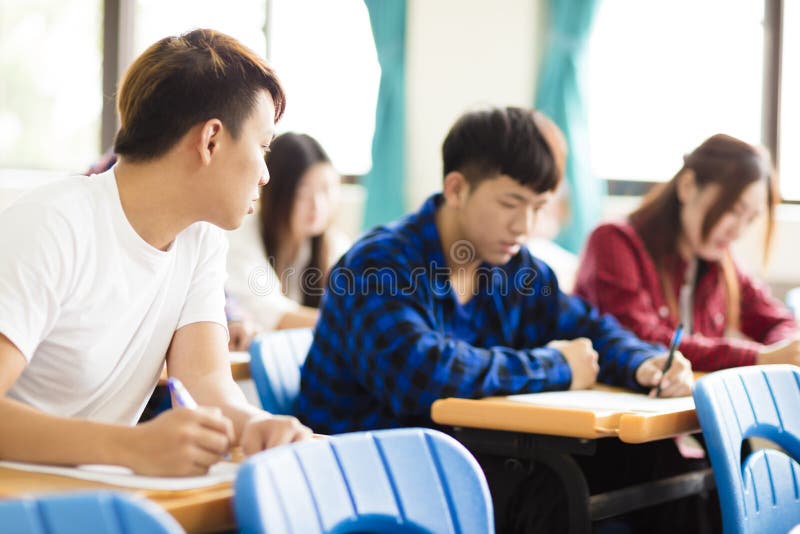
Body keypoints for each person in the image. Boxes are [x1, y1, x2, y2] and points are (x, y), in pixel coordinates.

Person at [295, 107, 700, 531]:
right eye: (511, 203)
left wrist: (643, 362)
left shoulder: (511, 266)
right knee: (554, 490)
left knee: (658, 464)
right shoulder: (377, 266)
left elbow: (587, 327)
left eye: (538, 207)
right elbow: (423, 376)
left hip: (460, 457)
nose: (524, 225)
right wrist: (558, 367)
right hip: (369, 477)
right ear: (456, 189)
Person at [0, 29, 311, 477]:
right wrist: (131, 447)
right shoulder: (54, 225)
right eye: (262, 148)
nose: (265, 175)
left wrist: (258, 427)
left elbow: (205, 382)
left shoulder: (201, 241)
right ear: (210, 141)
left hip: (93, 500)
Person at [575, 134, 798, 371]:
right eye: (733, 210)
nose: (738, 231)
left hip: (686, 401)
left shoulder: (721, 262)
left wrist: (785, 352)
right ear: (687, 186)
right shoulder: (613, 241)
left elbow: (779, 321)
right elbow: (639, 339)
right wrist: (759, 358)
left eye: (751, 219)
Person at [87, 150, 257, 351]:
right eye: (262, 146)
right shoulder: (110, 181)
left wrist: (231, 316)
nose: (263, 176)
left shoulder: (204, 234)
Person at [226, 132, 349, 331]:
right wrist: (350, 324)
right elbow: (272, 314)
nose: (317, 205)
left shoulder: (334, 243)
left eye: (325, 190)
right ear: (278, 194)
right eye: (303, 192)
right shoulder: (241, 235)